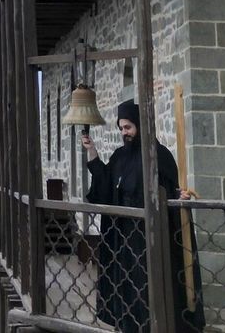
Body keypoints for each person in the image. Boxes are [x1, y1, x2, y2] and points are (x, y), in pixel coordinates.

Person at [82, 100, 205, 333]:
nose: (124, 133)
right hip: (123, 240)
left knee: (149, 288)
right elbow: (105, 186)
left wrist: (180, 197)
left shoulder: (158, 155)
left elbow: (169, 191)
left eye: (128, 127)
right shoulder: (120, 156)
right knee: (127, 288)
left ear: (141, 125)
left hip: (149, 239)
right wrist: (92, 152)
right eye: (121, 128)